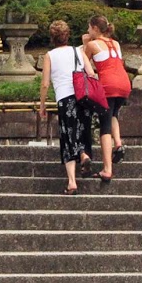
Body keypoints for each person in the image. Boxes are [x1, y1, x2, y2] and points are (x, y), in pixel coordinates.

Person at [37, 20, 107, 193]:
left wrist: (43, 105)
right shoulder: (78, 51)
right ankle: (84, 154)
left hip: (65, 98)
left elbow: (45, 83)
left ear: (52, 37)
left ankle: (72, 182)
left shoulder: (50, 55)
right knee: (83, 131)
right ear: (67, 35)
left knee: (68, 137)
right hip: (82, 97)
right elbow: (91, 73)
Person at [84, 15, 130, 165]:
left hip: (108, 85)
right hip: (124, 83)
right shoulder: (115, 43)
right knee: (113, 114)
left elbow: (84, 63)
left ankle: (107, 167)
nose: (87, 30)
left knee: (105, 124)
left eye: (89, 27)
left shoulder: (93, 45)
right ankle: (118, 143)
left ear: (95, 28)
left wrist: (85, 43)